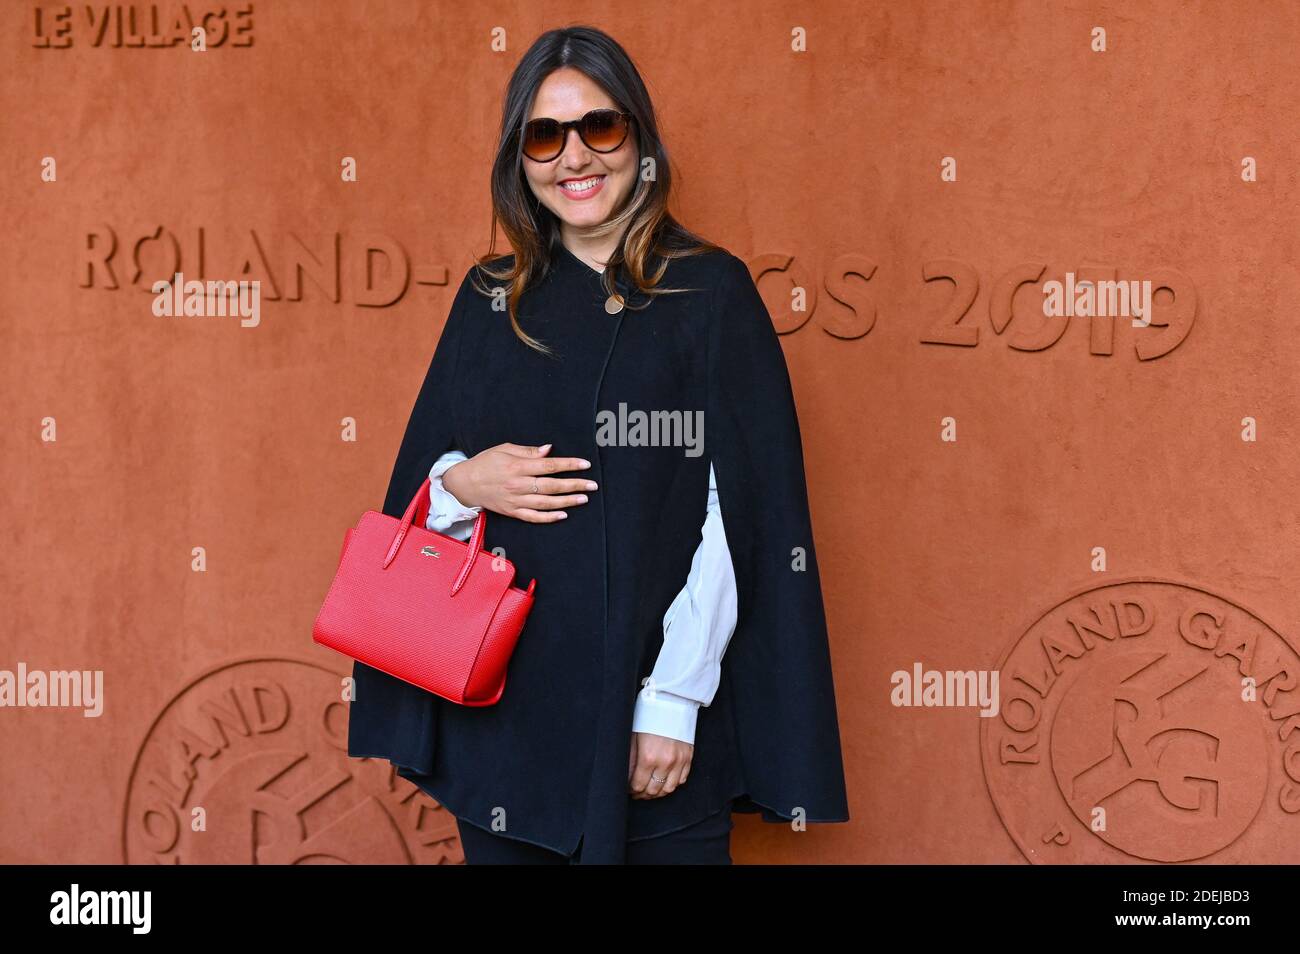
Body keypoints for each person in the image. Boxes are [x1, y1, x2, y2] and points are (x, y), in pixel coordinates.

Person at [346, 24, 850, 865]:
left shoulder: (709, 290)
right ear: (520, 157)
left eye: (599, 128)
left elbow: (742, 518)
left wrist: (672, 699)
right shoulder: (489, 298)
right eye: (545, 135)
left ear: (639, 139)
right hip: (503, 725)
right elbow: (420, 496)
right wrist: (464, 483)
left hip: (651, 726)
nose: (573, 157)